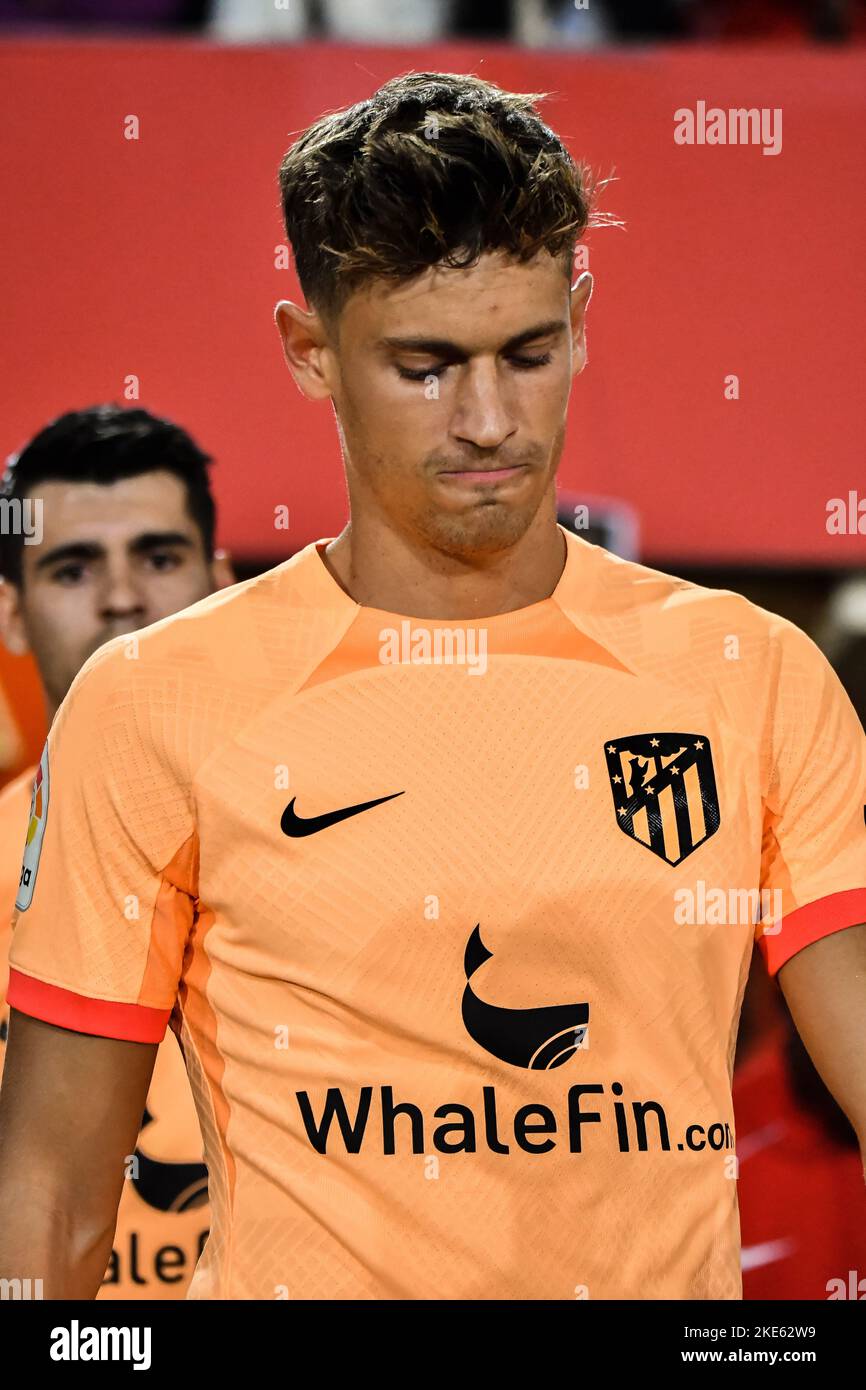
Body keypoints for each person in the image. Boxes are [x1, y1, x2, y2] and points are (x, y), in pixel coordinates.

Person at [0, 73, 864, 1301]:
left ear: (579, 320)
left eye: (528, 352)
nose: (485, 419)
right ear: (310, 353)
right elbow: (53, 1197)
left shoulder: (749, 673)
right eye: (423, 365)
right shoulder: (157, 701)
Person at [0, 403, 235, 1297]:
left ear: (221, 583)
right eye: (73, 567)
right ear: (11, 615)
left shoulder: (344, 844)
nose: (123, 596)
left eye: (160, 557)